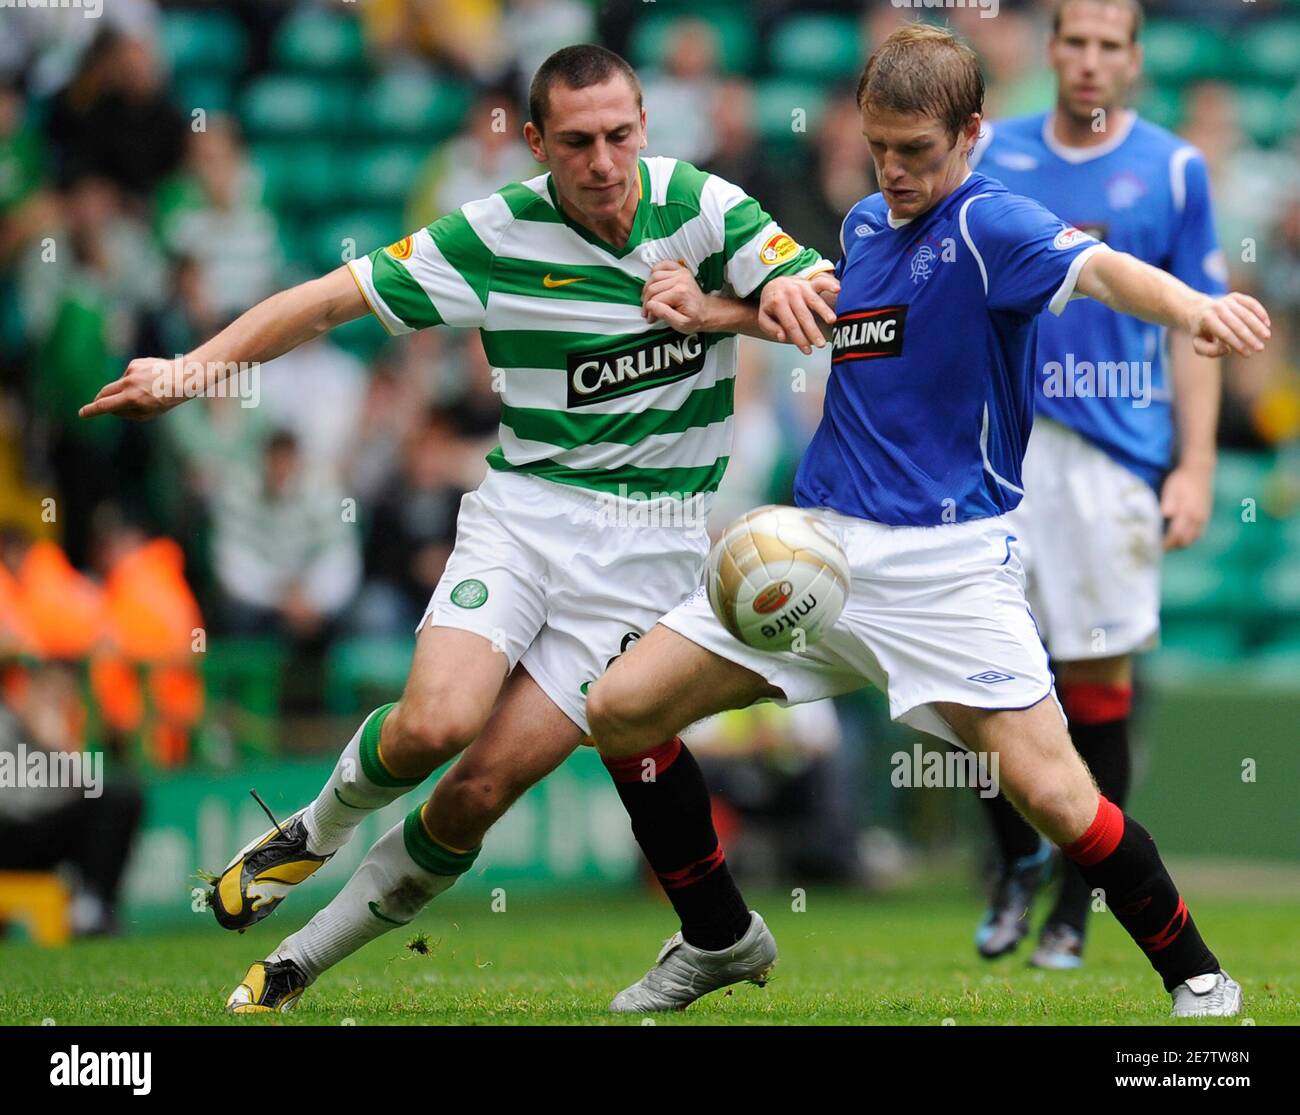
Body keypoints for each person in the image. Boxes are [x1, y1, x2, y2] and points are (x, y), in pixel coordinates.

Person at [80, 44, 838, 1014]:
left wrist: (727, 308)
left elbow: (837, 305)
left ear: (644, 126)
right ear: (534, 143)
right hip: (525, 516)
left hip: (647, 553)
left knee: (475, 791)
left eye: (619, 135)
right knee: (435, 720)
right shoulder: (496, 231)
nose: (603, 161)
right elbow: (327, 298)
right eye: (576, 142)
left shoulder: (704, 208)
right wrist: (191, 369)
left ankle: (295, 964)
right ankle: (312, 830)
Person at [585, 23, 1269, 1018]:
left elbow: (1104, 271)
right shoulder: (864, 224)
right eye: (880, 148)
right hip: (815, 554)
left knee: (1062, 801)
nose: (896, 171)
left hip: (947, 570)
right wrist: (712, 312)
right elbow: (841, 323)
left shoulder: (995, 227)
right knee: (619, 708)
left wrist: (1192, 310)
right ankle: (718, 933)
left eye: (919, 150)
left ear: (972, 134)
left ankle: (1197, 975)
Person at [966, 0, 1228, 969]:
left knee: (1096, 684)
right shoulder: (990, 152)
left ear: (1132, 59)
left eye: (1106, 45)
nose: (1086, 61)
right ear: (1050, 50)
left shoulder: (1171, 167)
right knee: (981, 669)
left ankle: (1075, 910)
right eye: (1071, 41)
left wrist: (1194, 464)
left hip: (1115, 457)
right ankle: (1010, 862)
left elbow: (1194, 322)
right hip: (1003, 449)